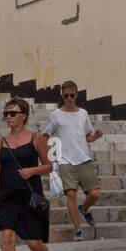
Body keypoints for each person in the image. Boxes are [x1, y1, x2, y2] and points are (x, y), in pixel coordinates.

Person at [0, 97, 57, 251]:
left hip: (29, 197)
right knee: (7, 238)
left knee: (34, 242)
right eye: (6, 113)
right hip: (7, 197)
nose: (8, 117)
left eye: (13, 113)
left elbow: (49, 166)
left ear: (24, 115)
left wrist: (32, 171)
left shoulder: (36, 138)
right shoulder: (1, 142)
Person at [44, 80, 103, 241]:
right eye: (66, 95)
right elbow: (46, 135)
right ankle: (78, 230)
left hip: (83, 158)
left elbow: (88, 136)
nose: (69, 98)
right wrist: (50, 157)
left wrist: (95, 136)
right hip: (65, 160)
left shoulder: (83, 113)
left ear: (76, 95)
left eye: (72, 95)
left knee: (95, 193)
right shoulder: (56, 115)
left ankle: (84, 209)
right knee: (71, 194)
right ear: (62, 96)